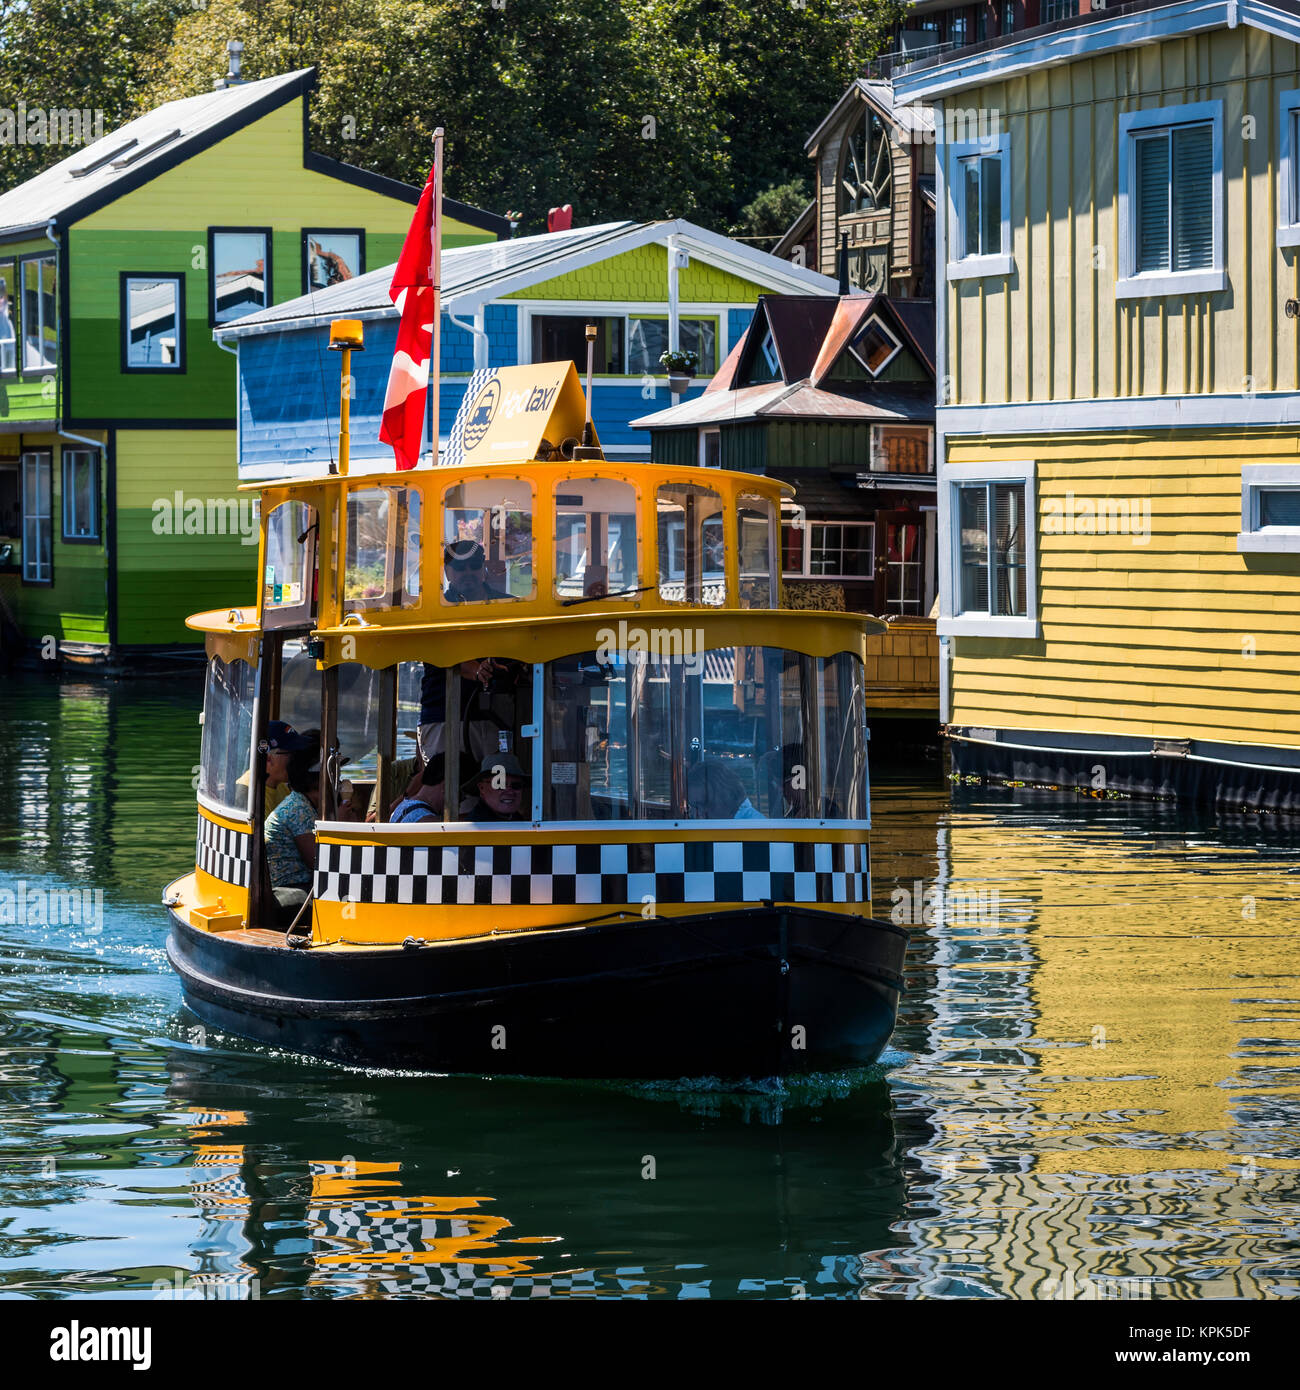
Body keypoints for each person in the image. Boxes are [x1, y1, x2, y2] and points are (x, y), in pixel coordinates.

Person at [263, 748, 321, 926]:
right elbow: (318, 862)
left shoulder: (303, 803)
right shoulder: (299, 809)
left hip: (301, 882)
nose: (338, 781)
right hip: (288, 887)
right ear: (315, 781)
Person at [237, 719, 315, 819]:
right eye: (291, 754)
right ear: (268, 759)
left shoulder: (281, 786)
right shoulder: (249, 798)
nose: (296, 760)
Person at [687, 759, 763, 820]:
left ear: (725, 796)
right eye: (694, 806)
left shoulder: (756, 827)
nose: (699, 814)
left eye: (705, 803)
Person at [462, 752, 529, 821]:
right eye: (499, 784)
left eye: (516, 785)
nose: (509, 791)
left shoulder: (520, 821)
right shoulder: (474, 827)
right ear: (482, 788)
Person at [443, 539, 506, 604]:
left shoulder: (507, 603)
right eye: (460, 566)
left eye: (475, 565)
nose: (468, 572)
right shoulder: (438, 608)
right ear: (447, 572)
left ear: (484, 568)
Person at [388, 755, 446, 823]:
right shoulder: (427, 821)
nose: (459, 805)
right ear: (445, 787)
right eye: (460, 794)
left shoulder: (402, 806)